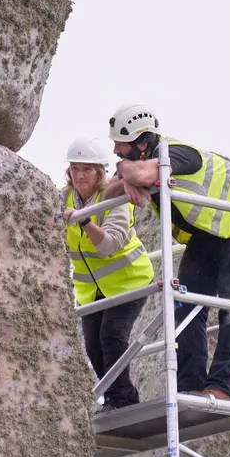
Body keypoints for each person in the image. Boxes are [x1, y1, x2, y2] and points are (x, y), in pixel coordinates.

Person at [100, 103, 230, 402]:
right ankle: (191, 385)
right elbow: (108, 192)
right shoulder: (140, 160)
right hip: (208, 234)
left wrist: (132, 174)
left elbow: (147, 173)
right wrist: (129, 180)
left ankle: (224, 386)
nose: (115, 152)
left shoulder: (176, 153)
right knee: (185, 304)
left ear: (141, 143)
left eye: (119, 145)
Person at [60, 136, 156, 412]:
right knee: (92, 345)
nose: (79, 175)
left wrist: (84, 219)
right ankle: (115, 398)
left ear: (100, 172)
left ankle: (123, 399)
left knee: (112, 336)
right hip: (92, 289)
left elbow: (109, 245)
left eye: (86, 169)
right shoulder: (64, 197)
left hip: (129, 280)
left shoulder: (113, 199)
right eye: (75, 168)